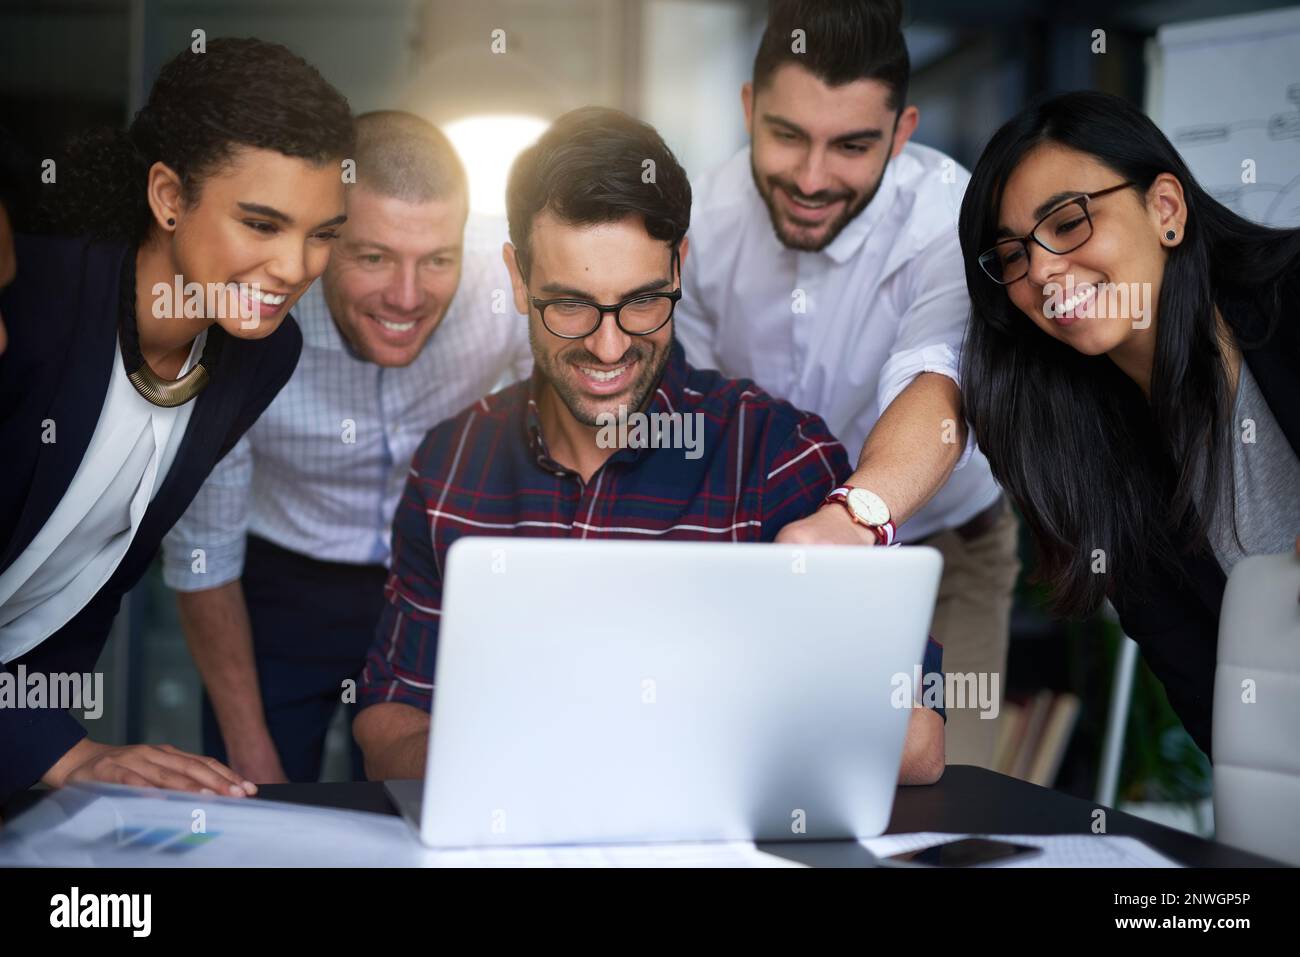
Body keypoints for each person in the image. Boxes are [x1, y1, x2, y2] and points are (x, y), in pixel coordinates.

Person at [352, 106, 946, 786]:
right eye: (569, 304)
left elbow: (917, 743)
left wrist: (639, 735)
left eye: (641, 302)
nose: (608, 347)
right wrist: (494, 767)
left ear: (680, 266)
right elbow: (391, 709)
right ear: (517, 279)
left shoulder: (779, 456)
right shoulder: (452, 461)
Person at [0, 37, 354, 803]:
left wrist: (46, 754)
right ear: (167, 196)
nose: (296, 268)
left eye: (322, 233)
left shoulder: (262, 353)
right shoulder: (27, 303)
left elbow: (88, 576)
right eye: (262, 224)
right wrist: (59, 749)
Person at [673, 0, 1017, 766]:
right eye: (786, 135)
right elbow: (689, 402)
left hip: (943, 546)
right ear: (747, 109)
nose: (810, 177)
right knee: (754, 773)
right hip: (759, 545)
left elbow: (940, 389)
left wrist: (853, 517)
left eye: (853, 145)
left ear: (903, 132)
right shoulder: (701, 218)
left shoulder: (950, 222)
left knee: (948, 790)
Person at [161, 111, 531, 784]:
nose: (407, 296)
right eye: (373, 256)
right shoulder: (254, 315)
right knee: (259, 813)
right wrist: (250, 755)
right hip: (278, 585)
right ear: (327, 237)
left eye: (436, 260)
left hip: (440, 579)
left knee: (434, 804)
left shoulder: (503, 282)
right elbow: (203, 549)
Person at [957, 89, 1300, 758]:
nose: (1045, 273)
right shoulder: (1099, 464)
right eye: (1013, 256)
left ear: (1165, 208)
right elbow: (1221, 716)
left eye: (1068, 222)